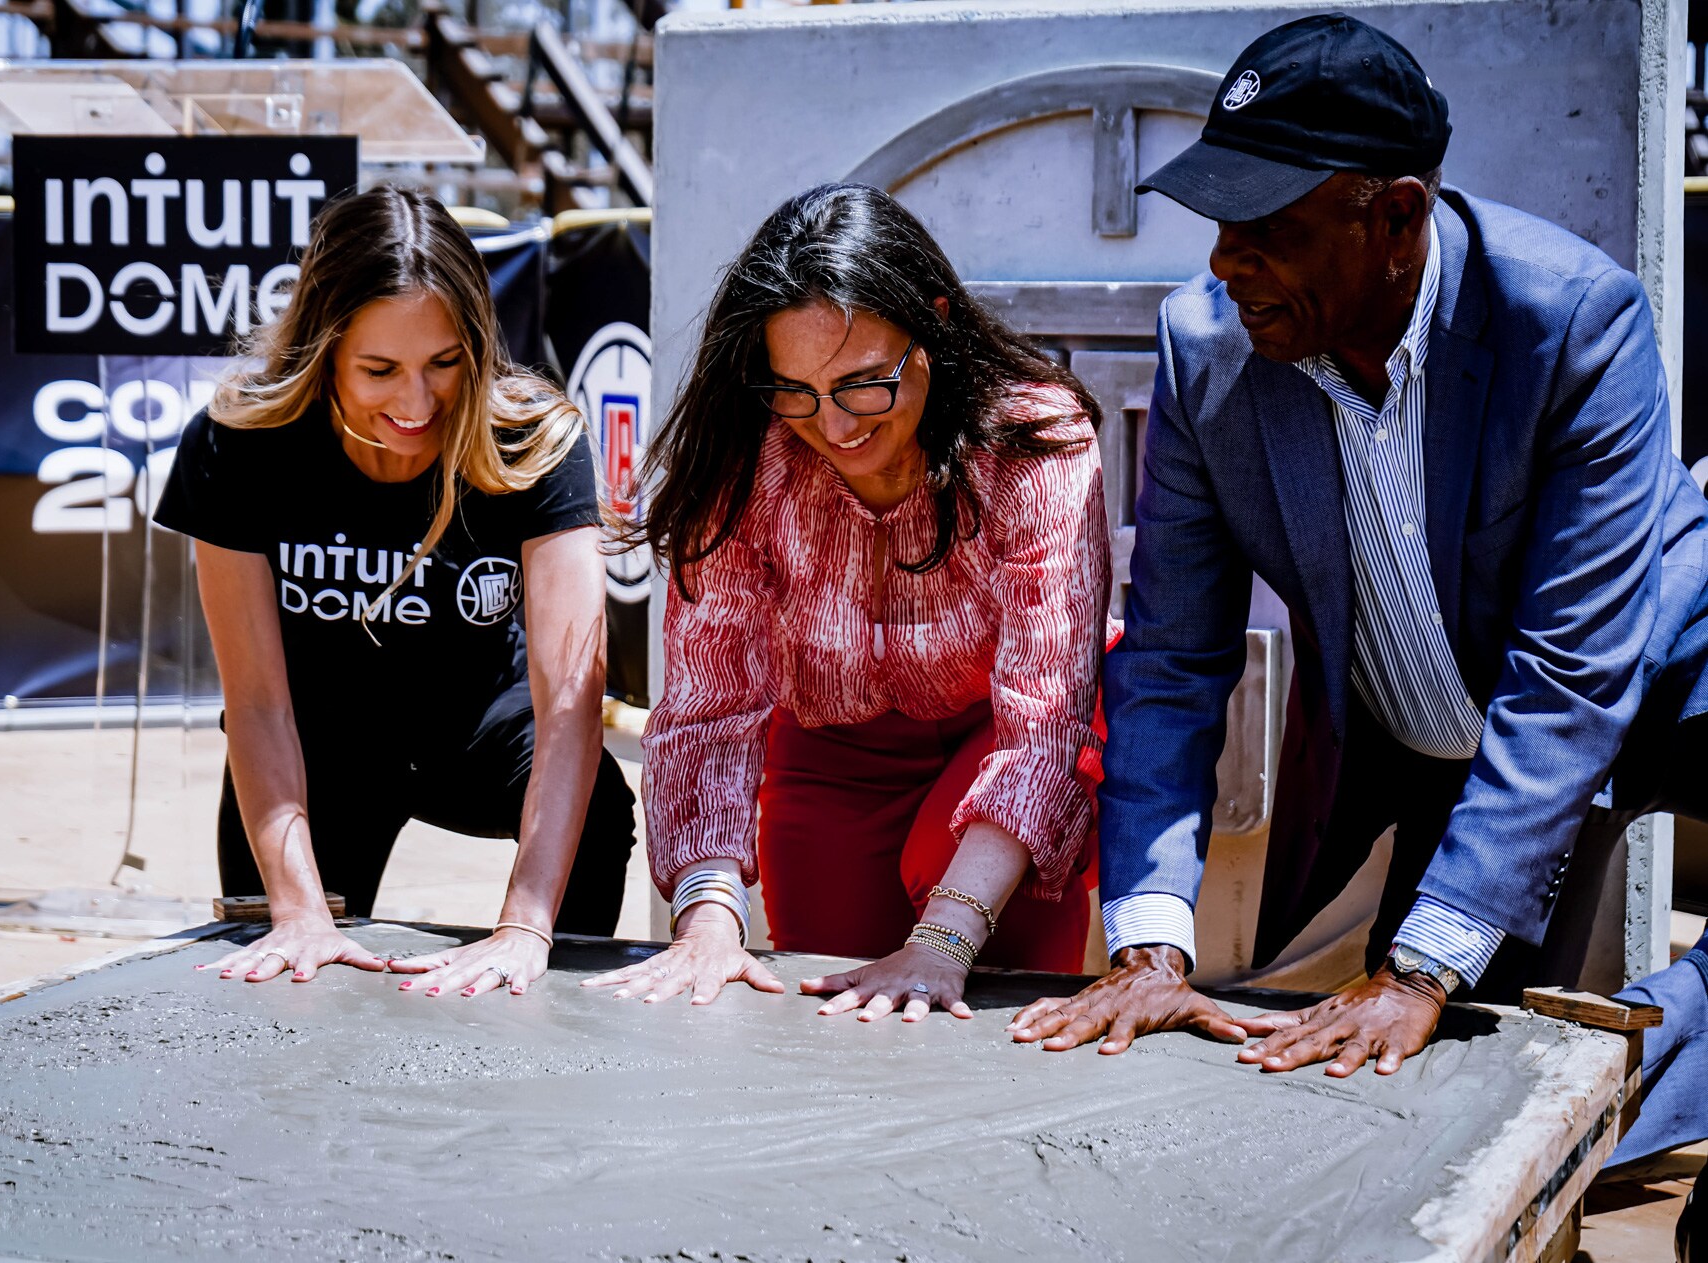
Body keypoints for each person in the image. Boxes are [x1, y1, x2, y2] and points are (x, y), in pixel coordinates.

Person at [1009, 8, 1708, 1122]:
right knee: (1429, 1110)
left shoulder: (1573, 322)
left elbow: (1573, 675)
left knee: (1443, 1004)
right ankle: (1637, 1081)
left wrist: (1425, 966)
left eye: (1262, 226)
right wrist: (1148, 944)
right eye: (1213, 220)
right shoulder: (1209, 350)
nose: (1223, 261)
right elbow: (1173, 661)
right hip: (1454, 744)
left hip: (1664, 668)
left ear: (1394, 219)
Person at [585, 183, 1114, 1022]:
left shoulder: (1033, 436)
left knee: (980, 1002)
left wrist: (942, 942)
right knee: (826, 1010)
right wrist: (708, 916)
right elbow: (707, 704)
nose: (832, 425)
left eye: (864, 384)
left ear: (932, 322)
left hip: (1001, 737)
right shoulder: (744, 451)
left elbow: (1047, 716)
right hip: (829, 750)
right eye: (795, 388)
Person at [154, 185, 636, 999]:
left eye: (445, 364)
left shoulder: (532, 438)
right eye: (379, 369)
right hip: (316, 749)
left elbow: (568, 705)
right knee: (286, 994)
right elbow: (259, 704)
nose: (416, 404)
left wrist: (523, 927)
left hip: (479, 727)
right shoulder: (238, 445)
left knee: (600, 817)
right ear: (324, 349)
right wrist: (300, 911)